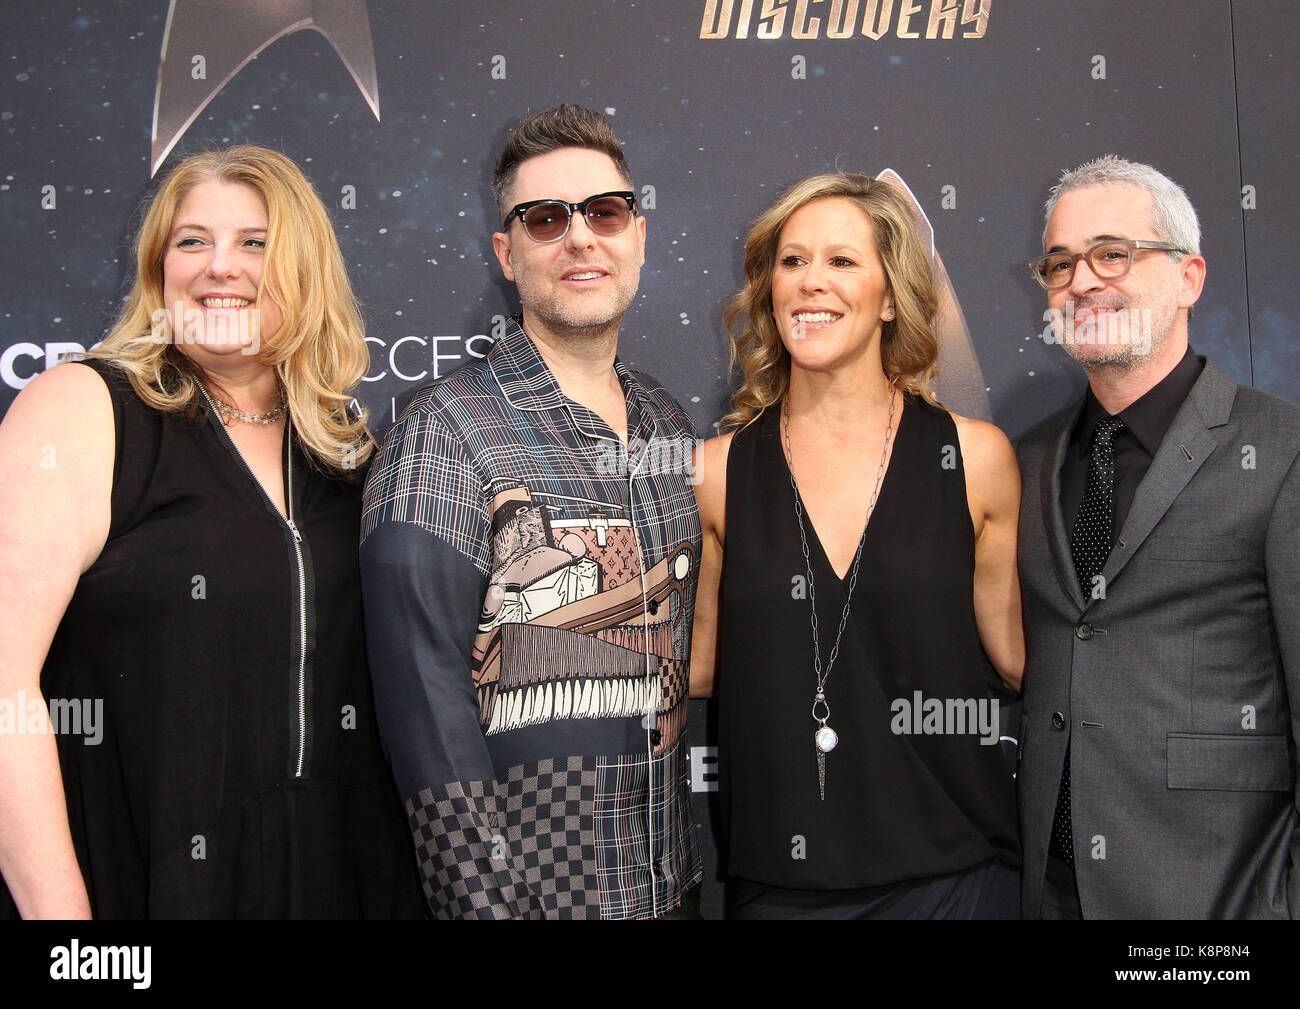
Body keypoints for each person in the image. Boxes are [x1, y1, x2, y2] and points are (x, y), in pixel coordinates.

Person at [0, 145, 422, 919]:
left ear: (306, 270)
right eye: (191, 241)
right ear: (158, 270)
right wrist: (63, 926)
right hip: (140, 888)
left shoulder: (350, 454)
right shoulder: (84, 410)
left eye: (254, 243)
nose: (219, 266)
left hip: (344, 879)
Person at [359, 105, 702, 919]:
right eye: (547, 219)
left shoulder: (667, 421)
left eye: (605, 212)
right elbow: (429, 722)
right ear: (508, 255)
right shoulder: (442, 434)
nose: (581, 238)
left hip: (675, 889)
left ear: (639, 237)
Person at [690, 173, 1023, 919]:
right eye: (792, 262)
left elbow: (1021, 659)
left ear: (893, 296)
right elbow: (697, 666)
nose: (812, 283)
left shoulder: (976, 460)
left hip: (956, 879)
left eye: (842, 262)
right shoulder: (715, 473)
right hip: (780, 887)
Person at [1016, 155, 1300, 919]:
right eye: (1060, 263)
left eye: (1113, 254)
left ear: (1189, 276)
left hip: (1220, 903)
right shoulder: (1030, 459)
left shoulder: (1281, 449)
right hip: (1053, 895)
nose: (1081, 280)